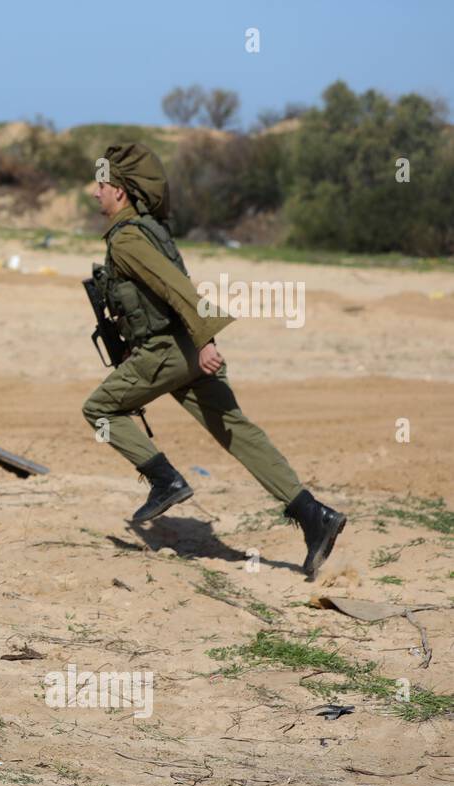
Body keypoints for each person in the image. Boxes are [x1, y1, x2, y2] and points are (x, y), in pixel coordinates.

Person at [81, 143, 347, 580]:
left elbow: (176, 290)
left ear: (122, 193)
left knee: (100, 409)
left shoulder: (128, 238)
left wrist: (205, 340)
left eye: (102, 184)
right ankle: (314, 515)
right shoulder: (152, 230)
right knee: (239, 432)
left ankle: (165, 481)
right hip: (183, 346)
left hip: (172, 350)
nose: (95, 192)